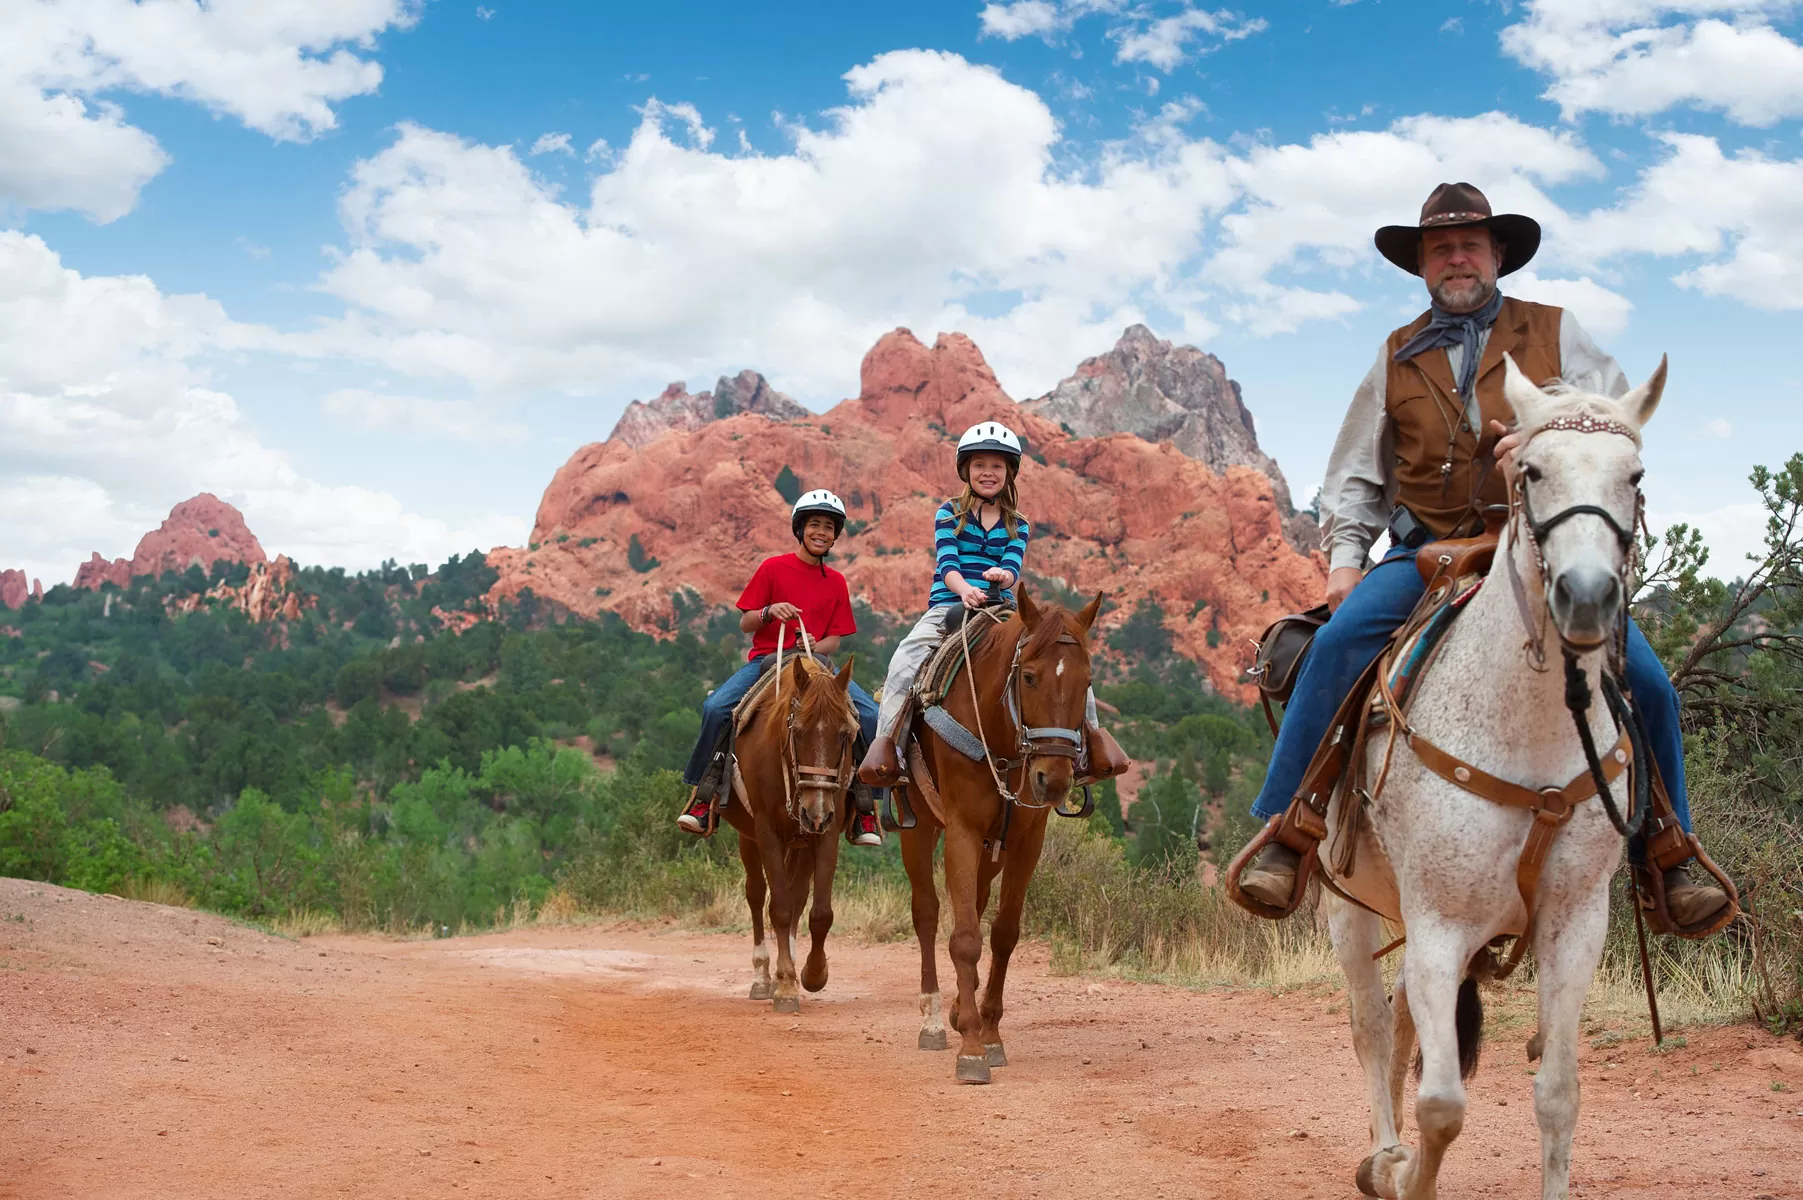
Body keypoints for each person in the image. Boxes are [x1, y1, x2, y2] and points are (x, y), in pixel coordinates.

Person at [1237, 182, 1731, 935]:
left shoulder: (1558, 333)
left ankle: (1669, 848)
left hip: (1534, 546)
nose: (1456, 258)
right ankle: (1289, 828)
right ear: (1422, 265)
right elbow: (1355, 475)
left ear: (1498, 255)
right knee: (1336, 646)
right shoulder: (1394, 356)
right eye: (1441, 247)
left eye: (1470, 244)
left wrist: (1544, 437)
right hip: (1425, 549)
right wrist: (1344, 562)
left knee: (1650, 685)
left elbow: (1611, 429)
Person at [858, 422, 1128, 787]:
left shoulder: (1018, 523)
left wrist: (1004, 576)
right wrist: (964, 590)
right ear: (966, 470)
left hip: (1000, 607)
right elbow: (947, 564)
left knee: (1064, 662)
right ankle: (889, 749)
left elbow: (1013, 567)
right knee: (905, 661)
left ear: (1009, 472)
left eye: (997, 466)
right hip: (948, 605)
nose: (988, 472)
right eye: (980, 465)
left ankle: (1087, 748)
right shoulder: (950, 513)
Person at [677, 489, 885, 846]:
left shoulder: (836, 582)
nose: (821, 532)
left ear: (836, 536)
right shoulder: (773, 568)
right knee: (715, 708)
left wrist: (813, 648)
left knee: (870, 716)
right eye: (815, 524)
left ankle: (865, 806)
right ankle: (704, 794)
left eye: (829, 527)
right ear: (800, 528)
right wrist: (770, 612)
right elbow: (745, 623)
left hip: (816, 664)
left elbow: (835, 639)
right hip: (767, 661)